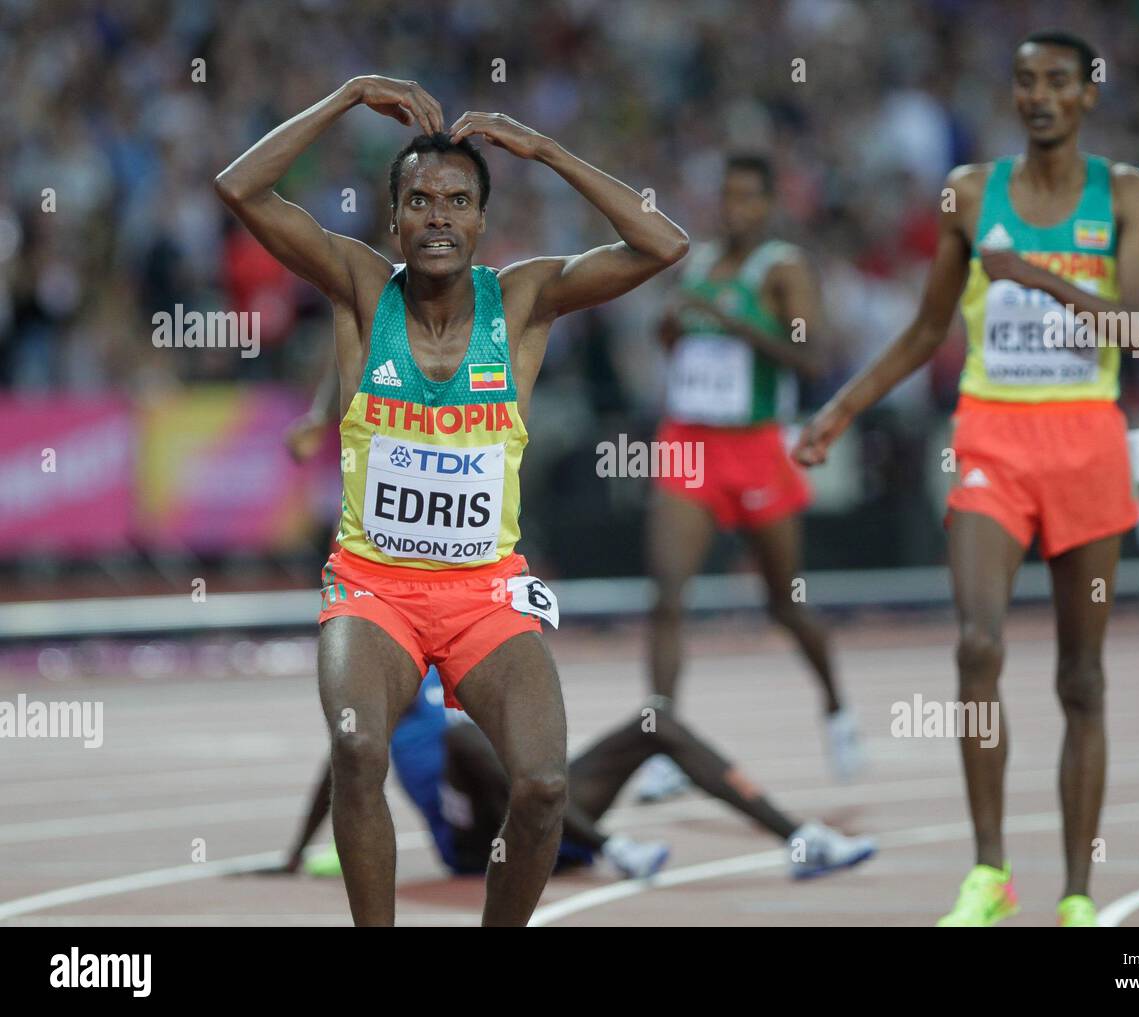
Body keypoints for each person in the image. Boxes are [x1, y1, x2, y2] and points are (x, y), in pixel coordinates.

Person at [215, 75, 689, 926]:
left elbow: (663, 245)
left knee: (542, 787)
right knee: (359, 747)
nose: (438, 215)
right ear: (394, 220)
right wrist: (345, 98)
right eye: (420, 200)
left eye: (458, 201)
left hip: (483, 593)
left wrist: (544, 149)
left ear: (481, 221)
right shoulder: (363, 287)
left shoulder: (525, 299)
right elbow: (240, 188)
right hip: (373, 588)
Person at [794, 31, 1139, 927]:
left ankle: (1076, 892)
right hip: (991, 436)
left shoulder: (1125, 193)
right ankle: (990, 873)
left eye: (1058, 82)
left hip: (1087, 441)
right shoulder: (968, 194)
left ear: (1087, 96)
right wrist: (840, 411)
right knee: (977, 646)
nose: (1039, 96)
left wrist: (1030, 274)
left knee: (1082, 677)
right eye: (1025, 81)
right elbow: (924, 332)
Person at [637, 154, 862, 803]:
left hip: (757, 446)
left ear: (769, 205)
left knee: (784, 602)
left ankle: (837, 708)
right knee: (668, 592)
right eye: (727, 196)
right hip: (688, 440)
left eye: (748, 199)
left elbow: (814, 356)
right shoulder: (698, 261)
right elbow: (675, 343)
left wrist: (739, 325)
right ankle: (661, 740)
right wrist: (670, 327)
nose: (735, 209)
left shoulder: (784, 268)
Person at [273, 674, 877, 886]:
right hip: (474, 844)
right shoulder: (380, 691)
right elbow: (340, 767)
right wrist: (295, 855)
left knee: (653, 723)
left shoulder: (452, 651)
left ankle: (803, 839)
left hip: (538, 812)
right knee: (463, 741)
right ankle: (612, 847)